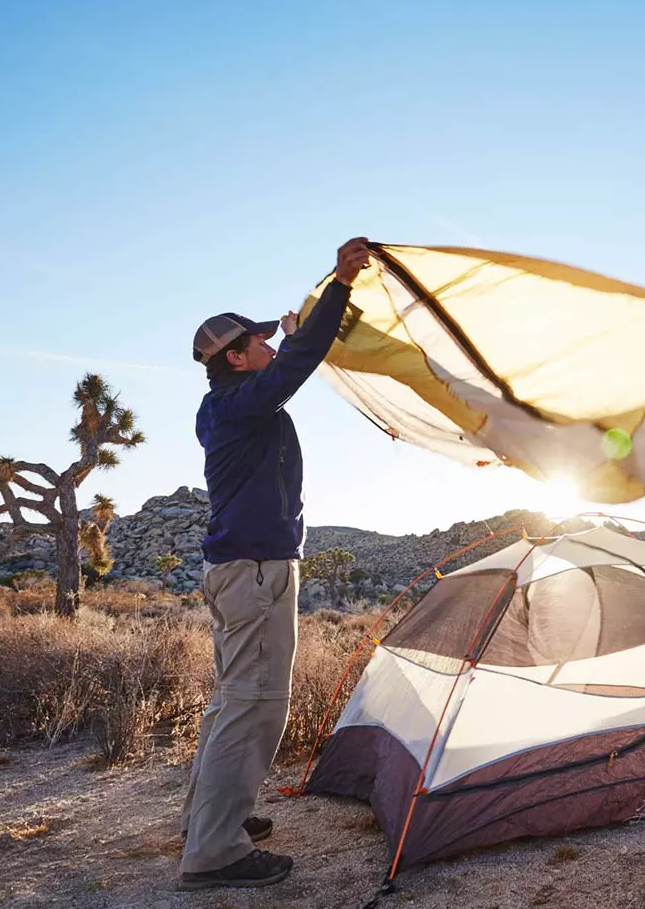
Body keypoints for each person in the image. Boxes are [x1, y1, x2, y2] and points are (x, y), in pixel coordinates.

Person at [176, 237, 371, 891]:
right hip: (255, 573)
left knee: (232, 701)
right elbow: (297, 365)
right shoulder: (241, 404)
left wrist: (291, 334)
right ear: (235, 357)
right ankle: (213, 852)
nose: (267, 344)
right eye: (256, 342)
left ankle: (209, 817)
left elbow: (286, 361)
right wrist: (339, 286)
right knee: (256, 705)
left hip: (243, 570)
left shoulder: (229, 406)